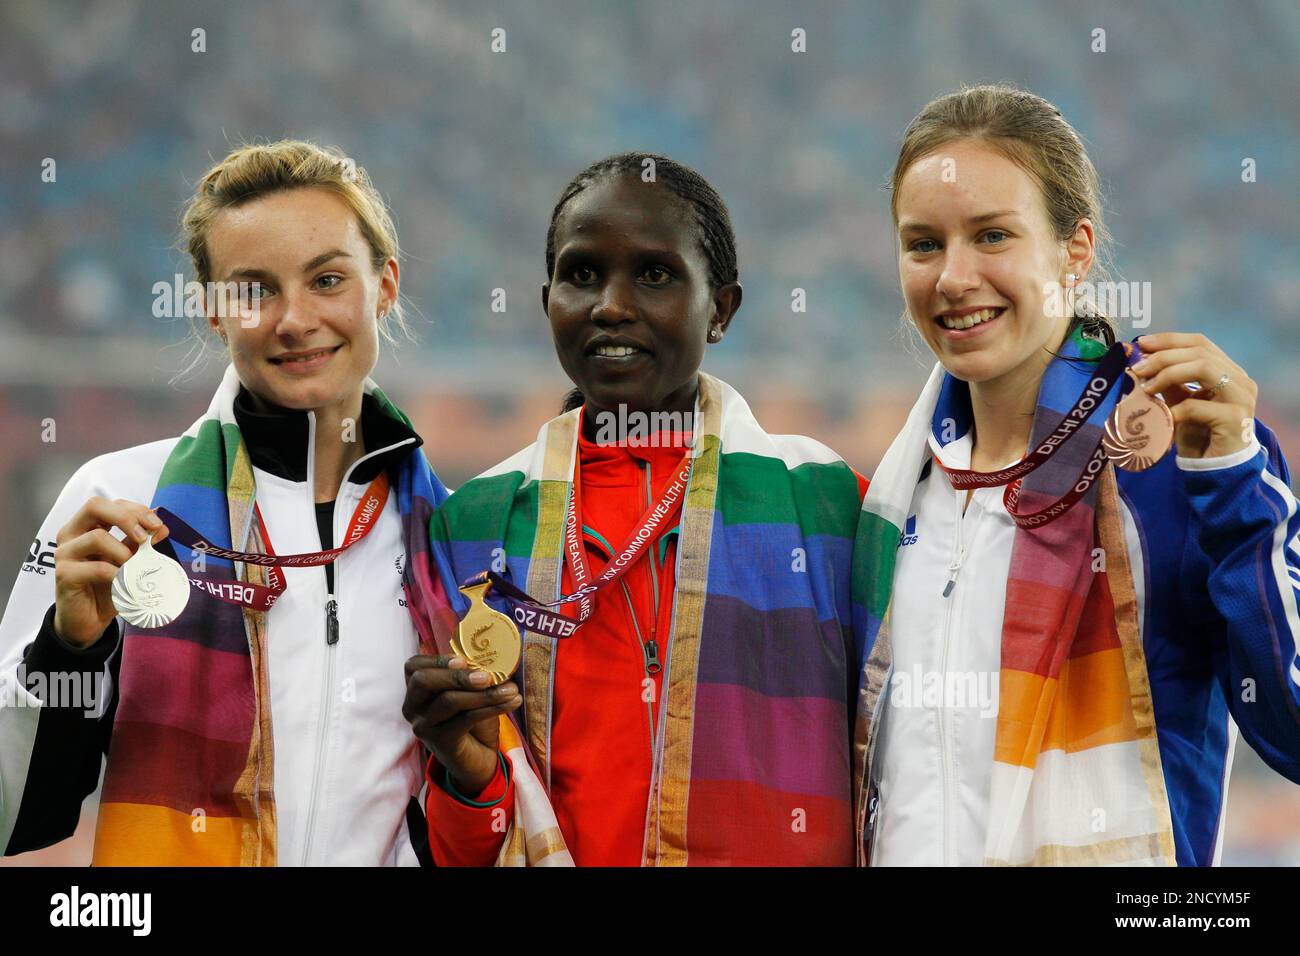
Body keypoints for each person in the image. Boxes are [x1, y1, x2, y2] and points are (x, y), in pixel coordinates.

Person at [852, 84, 1300, 866]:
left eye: (993, 235)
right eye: (923, 244)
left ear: (1076, 249)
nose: (953, 277)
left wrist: (1233, 476)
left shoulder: (1173, 456)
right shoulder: (894, 495)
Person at [403, 153, 870, 866]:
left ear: (721, 309)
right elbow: (466, 845)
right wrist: (466, 775)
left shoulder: (828, 505)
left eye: (654, 275)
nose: (611, 305)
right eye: (583, 274)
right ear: (548, 301)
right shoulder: (474, 523)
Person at [0, 140, 451, 866]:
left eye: (327, 279)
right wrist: (69, 649)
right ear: (213, 311)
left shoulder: (452, 538)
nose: (294, 319)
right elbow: (11, 811)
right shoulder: (118, 502)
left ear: (385, 286)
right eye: (254, 291)